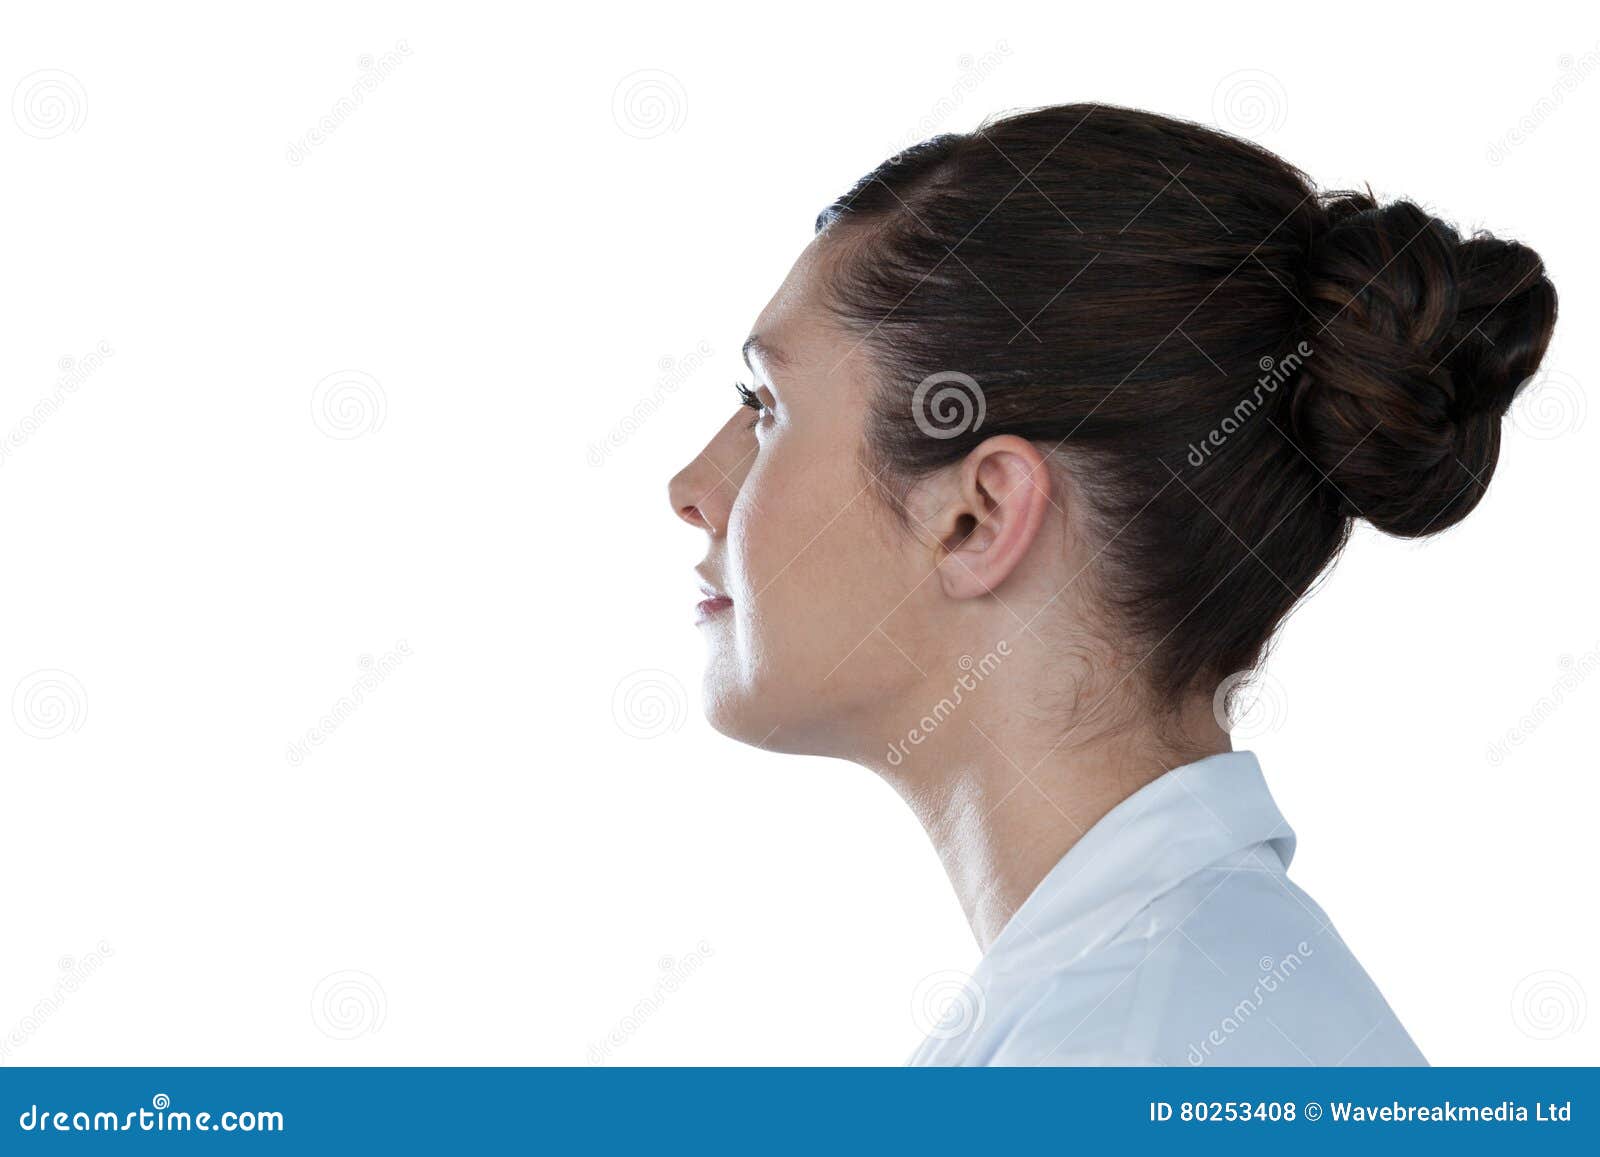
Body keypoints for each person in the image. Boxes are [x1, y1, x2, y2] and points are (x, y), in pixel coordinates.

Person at [667, 104, 1557, 1065]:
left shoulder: (1129, 1048)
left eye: (765, 407)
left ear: (980, 516)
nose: (692, 489)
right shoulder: (1171, 1004)